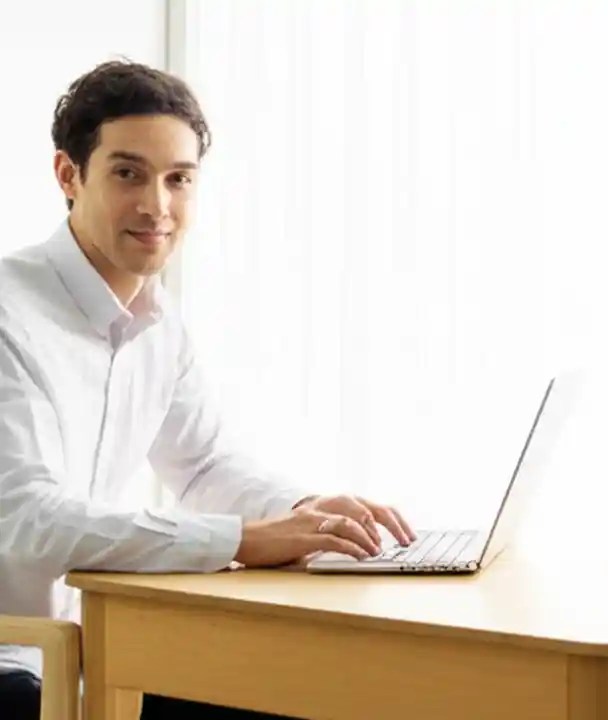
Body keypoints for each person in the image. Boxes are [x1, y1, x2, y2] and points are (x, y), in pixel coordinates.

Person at [0, 60, 417, 719]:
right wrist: (242, 540)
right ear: (68, 175)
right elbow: (25, 516)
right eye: (128, 173)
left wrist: (310, 513)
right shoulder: (8, 314)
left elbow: (203, 464)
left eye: (178, 179)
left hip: (94, 651)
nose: (157, 206)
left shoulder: (157, 323)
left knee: (317, 685)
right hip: (17, 660)